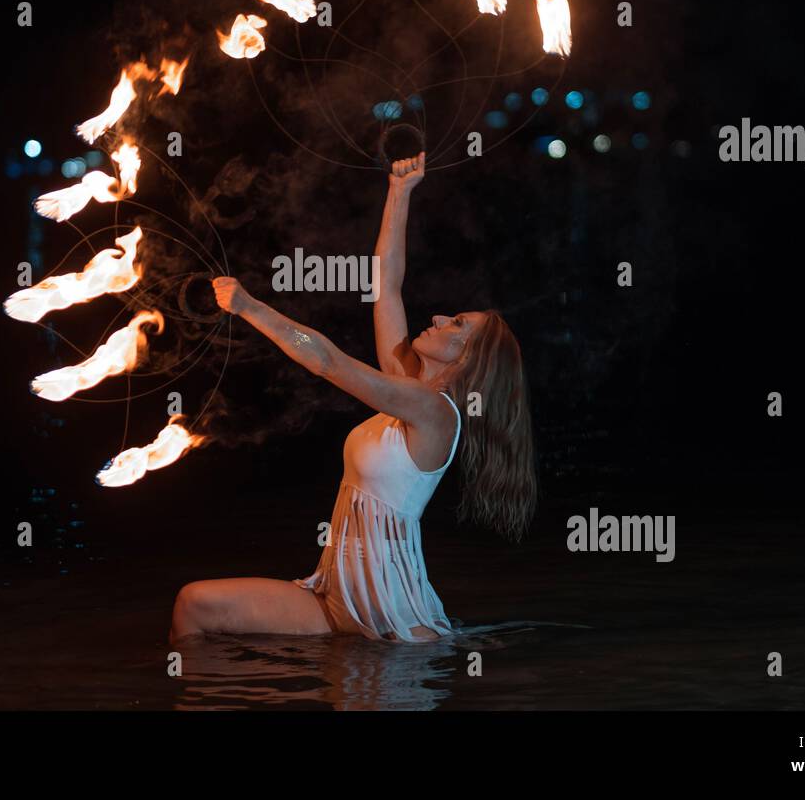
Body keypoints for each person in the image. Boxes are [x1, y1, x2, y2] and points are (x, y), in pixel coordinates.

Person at [169, 152, 537, 643]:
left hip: (390, 615)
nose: (442, 317)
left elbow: (328, 362)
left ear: (466, 359)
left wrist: (252, 308)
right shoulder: (405, 389)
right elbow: (385, 286)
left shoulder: (436, 413)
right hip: (333, 593)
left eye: (458, 326)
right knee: (195, 605)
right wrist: (399, 193)